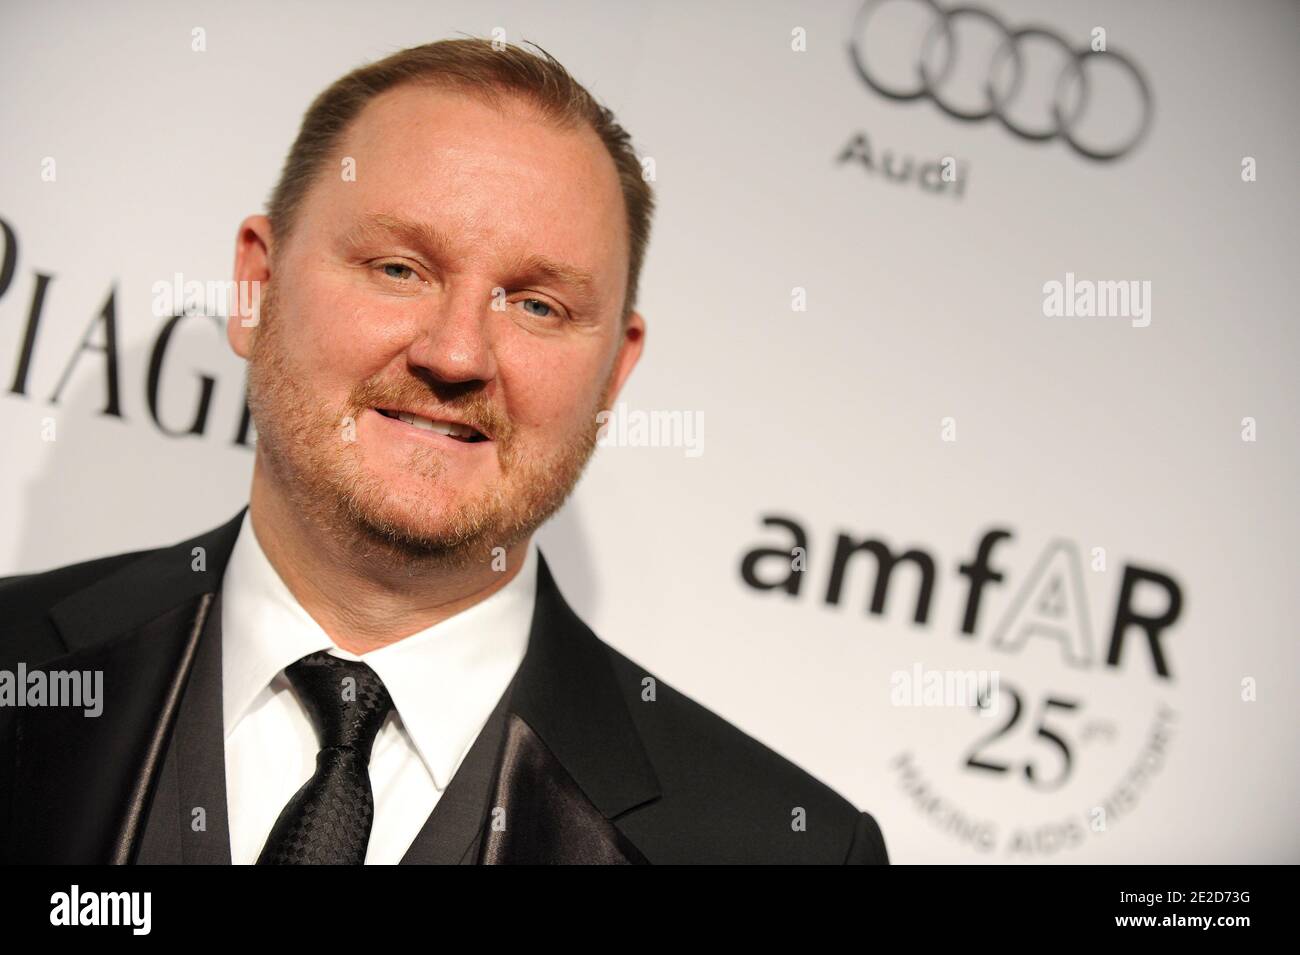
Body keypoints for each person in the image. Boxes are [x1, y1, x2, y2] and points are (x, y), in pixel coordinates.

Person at [0, 38, 888, 864]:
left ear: (614, 374)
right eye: (399, 268)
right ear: (256, 287)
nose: (456, 354)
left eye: (537, 305)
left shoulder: (779, 848)